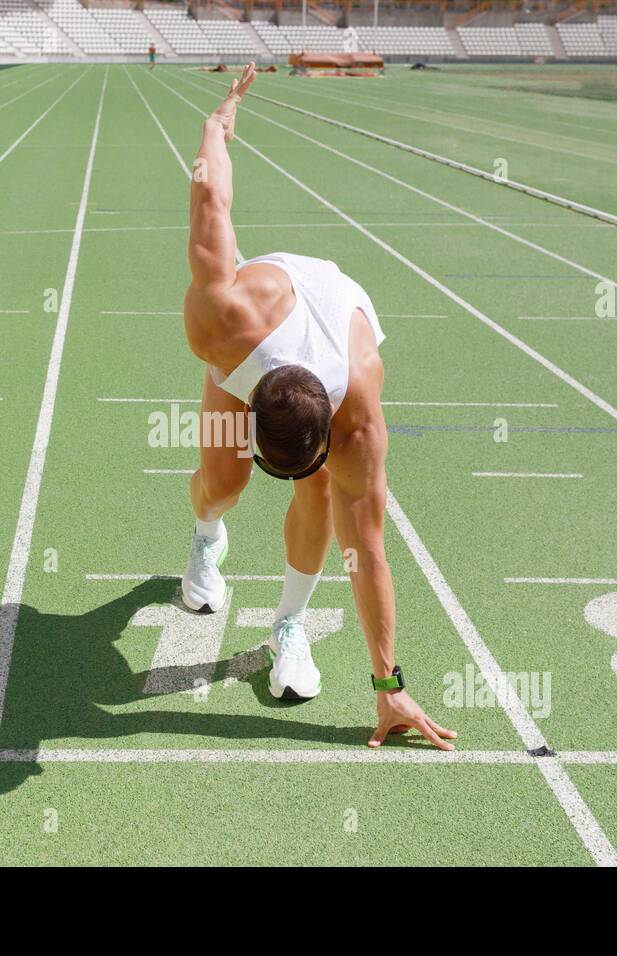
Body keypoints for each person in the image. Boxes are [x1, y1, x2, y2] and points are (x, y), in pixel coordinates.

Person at [178, 63, 457, 750]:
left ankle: (288, 626)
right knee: (222, 484)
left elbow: (368, 550)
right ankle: (207, 537)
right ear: (248, 410)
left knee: (327, 501)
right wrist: (218, 126)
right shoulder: (223, 323)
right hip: (263, 327)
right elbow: (211, 202)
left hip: (331, 315)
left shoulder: (356, 413)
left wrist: (389, 687)